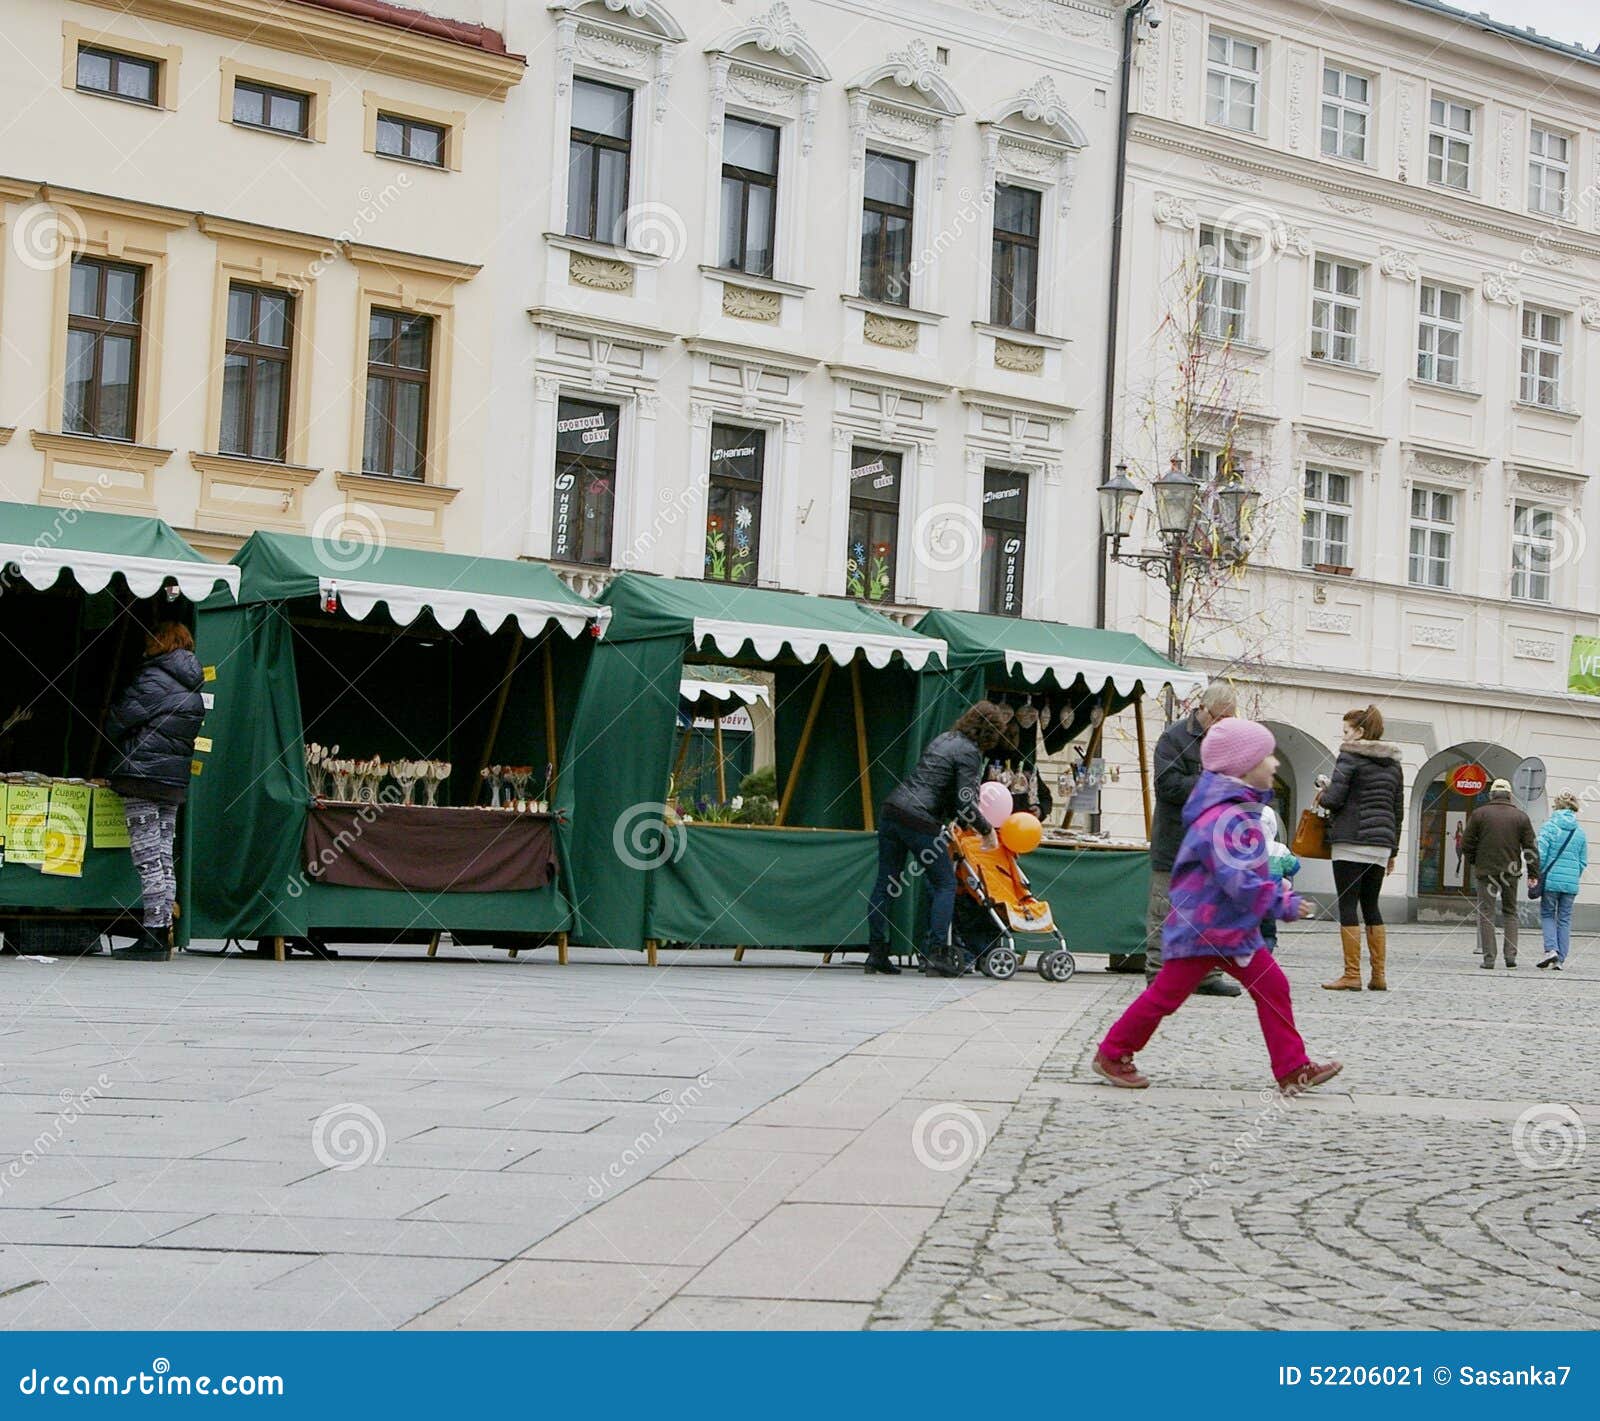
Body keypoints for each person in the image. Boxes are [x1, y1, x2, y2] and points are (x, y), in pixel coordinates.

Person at [1091, 718, 1341, 1095]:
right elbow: (1238, 880)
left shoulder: (1235, 811)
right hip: (1206, 928)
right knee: (1165, 996)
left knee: (1272, 986)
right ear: (1242, 767)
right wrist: (1282, 903)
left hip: (1228, 928)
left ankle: (1292, 1067)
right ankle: (1112, 1053)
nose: (1274, 764)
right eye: (1265, 757)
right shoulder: (1228, 818)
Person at [864, 701, 1008, 976]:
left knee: (886, 883)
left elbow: (940, 788)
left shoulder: (945, 738)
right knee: (944, 882)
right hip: (920, 819)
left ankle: (877, 953)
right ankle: (937, 954)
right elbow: (965, 802)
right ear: (991, 733)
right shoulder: (970, 752)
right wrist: (987, 830)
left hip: (892, 810)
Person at [102, 621, 206, 962]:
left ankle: (154, 936)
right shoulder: (193, 686)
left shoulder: (152, 679)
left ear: (159, 643)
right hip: (173, 783)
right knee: (162, 856)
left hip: (141, 778)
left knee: (147, 858)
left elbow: (118, 719)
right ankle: (162, 932)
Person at [1133, 683, 1242, 997]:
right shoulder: (1174, 738)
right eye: (1218, 719)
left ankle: (1207, 977)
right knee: (1164, 911)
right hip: (1175, 842)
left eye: (1229, 720)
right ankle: (1158, 977)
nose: (1223, 726)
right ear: (1202, 710)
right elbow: (1167, 785)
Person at [1317, 705, 1404, 993]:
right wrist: (1392, 850)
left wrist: (1324, 792)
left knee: (1347, 904)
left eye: (1346, 731)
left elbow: (1335, 799)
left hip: (1350, 841)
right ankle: (1378, 975)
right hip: (1380, 845)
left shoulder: (1349, 756)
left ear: (1360, 732)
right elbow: (1397, 809)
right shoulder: (1394, 764)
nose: (1343, 737)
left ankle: (1351, 974)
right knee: (1371, 906)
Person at [1462, 778, 1539, 970]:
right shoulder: (1521, 817)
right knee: (1510, 912)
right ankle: (1510, 956)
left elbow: (1466, 843)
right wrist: (1533, 873)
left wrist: (1474, 860)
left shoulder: (1480, 814)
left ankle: (1489, 959)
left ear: (1491, 795)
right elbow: (1530, 848)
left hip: (1485, 871)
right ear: (1509, 795)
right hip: (1511, 872)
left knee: (1486, 913)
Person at [1536, 792, 1586, 970]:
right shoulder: (1580, 832)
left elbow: (1540, 854)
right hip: (1571, 884)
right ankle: (1560, 960)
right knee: (1564, 919)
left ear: (1556, 807)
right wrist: (1573, 876)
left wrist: (1537, 874)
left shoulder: (1549, 827)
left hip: (1550, 881)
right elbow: (1582, 861)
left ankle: (1551, 950)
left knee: (1548, 914)